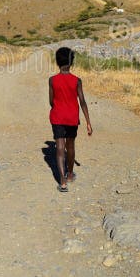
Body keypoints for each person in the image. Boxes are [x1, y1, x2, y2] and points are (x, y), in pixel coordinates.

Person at [48, 47, 92, 192]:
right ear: (71, 62)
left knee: (60, 147)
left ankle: (62, 182)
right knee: (70, 146)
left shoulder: (52, 80)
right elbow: (83, 101)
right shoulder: (77, 81)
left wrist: (58, 106)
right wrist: (88, 122)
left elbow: (51, 101)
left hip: (57, 116)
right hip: (72, 118)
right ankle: (70, 174)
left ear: (57, 62)